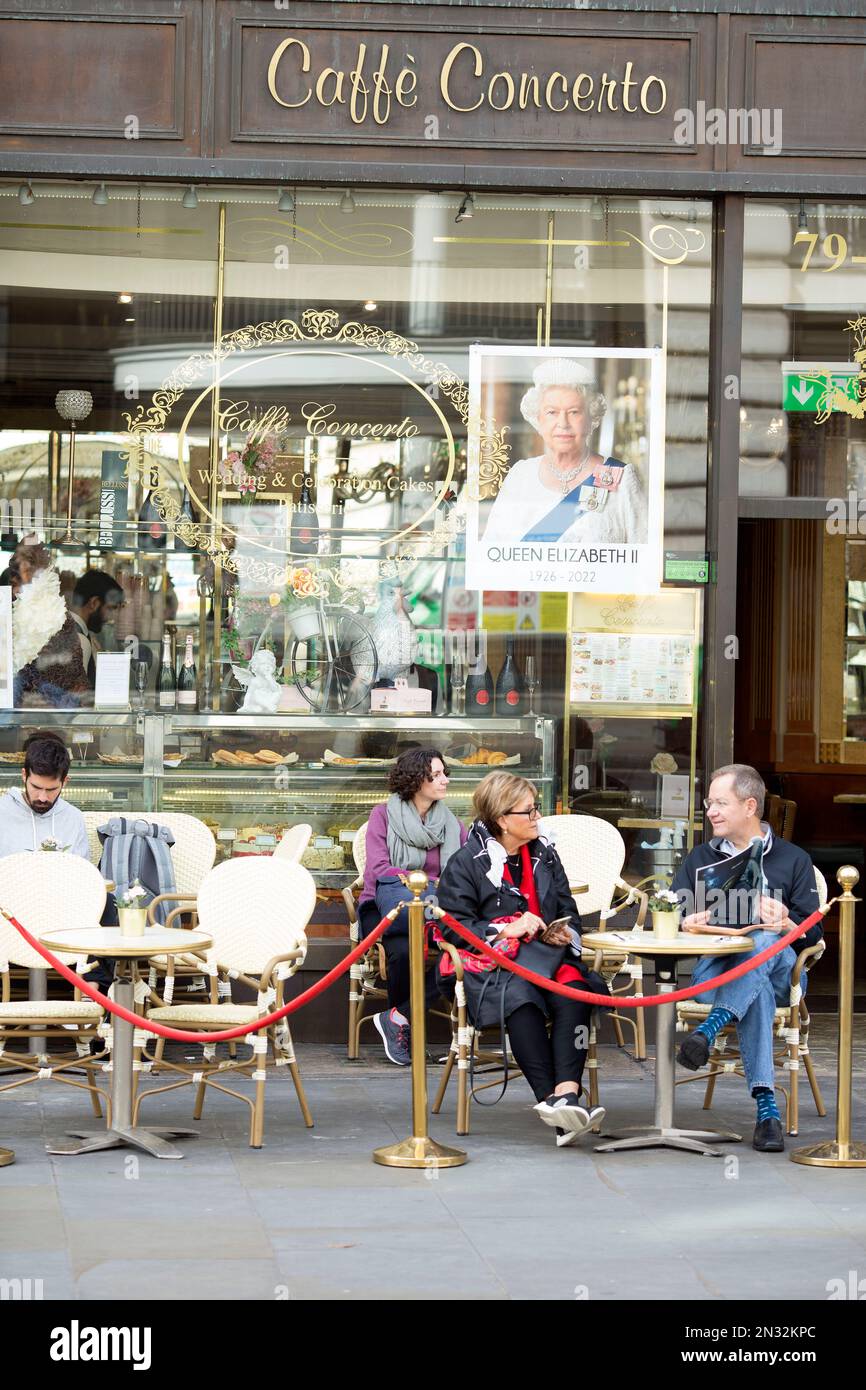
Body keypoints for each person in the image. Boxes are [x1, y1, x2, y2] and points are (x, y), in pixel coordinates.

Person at [436, 771, 606, 1147]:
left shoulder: (544, 854)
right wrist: (505, 930)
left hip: (546, 957)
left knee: (575, 993)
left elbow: (568, 908)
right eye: (529, 812)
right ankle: (554, 1105)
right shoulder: (468, 862)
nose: (536, 818)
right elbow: (451, 926)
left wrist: (563, 931)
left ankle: (566, 1094)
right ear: (502, 819)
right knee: (522, 1000)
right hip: (493, 966)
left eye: (536, 810)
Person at [673, 763, 821, 1153]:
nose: (711, 812)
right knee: (756, 985)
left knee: (763, 942)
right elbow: (668, 909)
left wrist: (788, 920)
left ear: (750, 805)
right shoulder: (700, 857)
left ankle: (708, 1030)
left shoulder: (792, 859)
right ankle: (766, 1111)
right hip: (716, 973)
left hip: (783, 976)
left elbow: (815, 932)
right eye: (709, 803)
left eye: (721, 803)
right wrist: (687, 920)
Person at [360, 747, 467, 1066]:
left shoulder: (452, 824)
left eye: (445, 773)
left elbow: (460, 873)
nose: (445, 780)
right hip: (389, 908)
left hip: (435, 910)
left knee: (461, 952)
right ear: (416, 780)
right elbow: (380, 869)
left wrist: (435, 889)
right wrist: (424, 882)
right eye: (437, 775)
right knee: (403, 950)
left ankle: (399, 1019)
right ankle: (405, 1032)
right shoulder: (383, 815)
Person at [482, 357, 647, 548]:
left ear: (590, 418)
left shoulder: (620, 477)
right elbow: (492, 552)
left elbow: (645, 560)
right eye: (552, 412)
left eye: (574, 412)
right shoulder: (521, 475)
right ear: (539, 419)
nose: (563, 423)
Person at [0, 731, 89, 855]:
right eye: (36, 787)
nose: (42, 798)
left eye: (51, 790)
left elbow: (81, 870)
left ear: (65, 782)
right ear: (24, 775)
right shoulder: (2, 812)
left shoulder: (73, 819)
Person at [69, 570, 124, 684]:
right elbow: (76, 699)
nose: (111, 618)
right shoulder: (79, 641)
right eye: (110, 608)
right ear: (94, 603)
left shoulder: (74, 633)